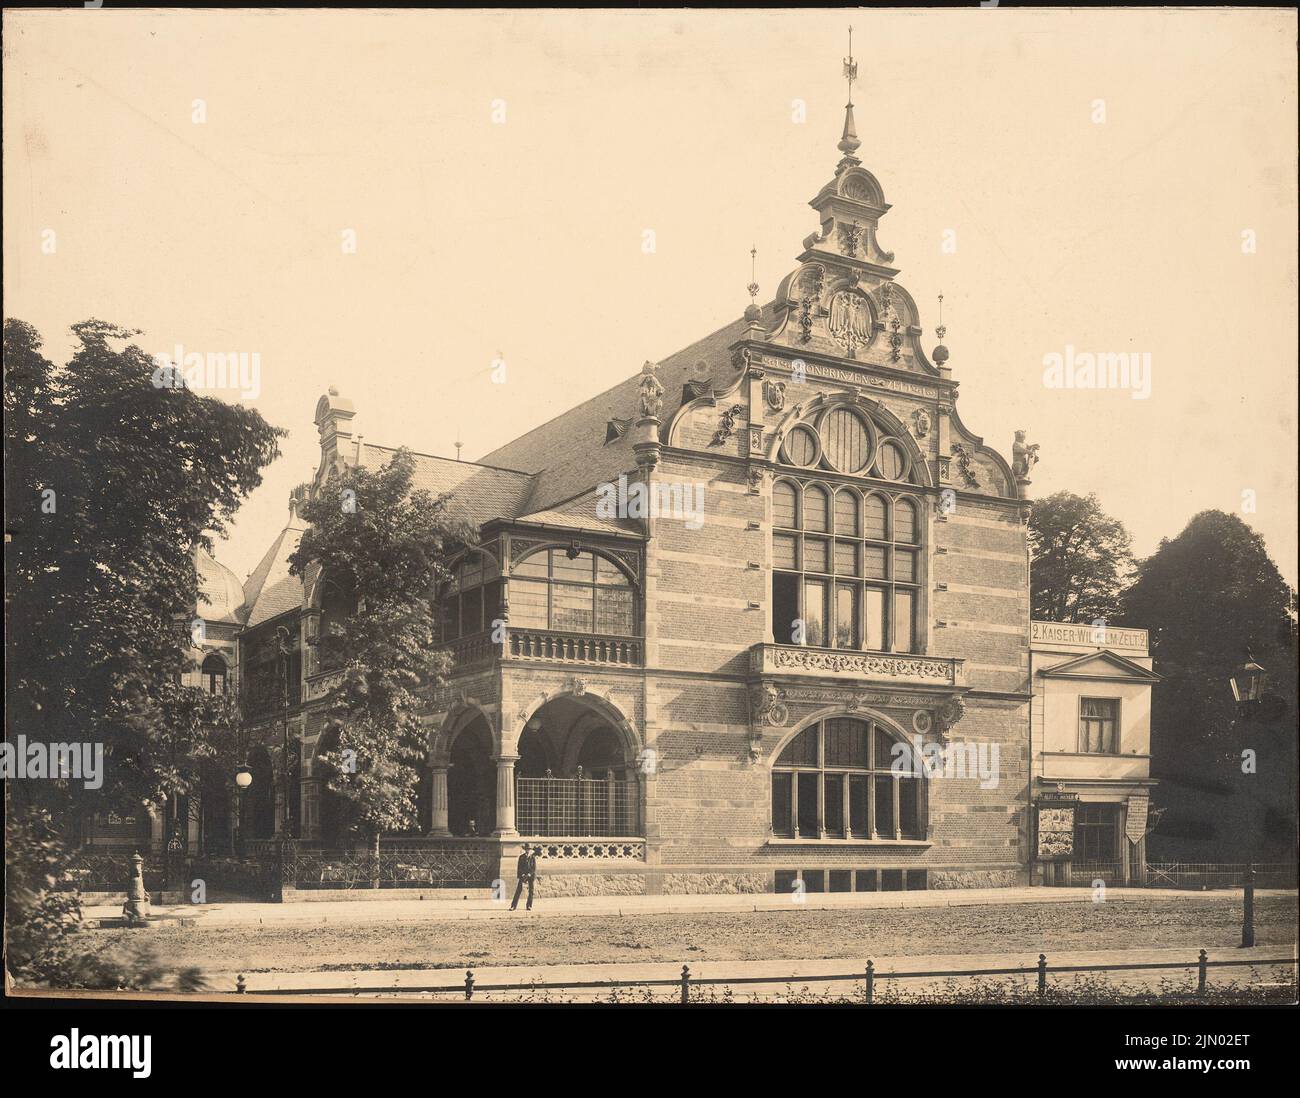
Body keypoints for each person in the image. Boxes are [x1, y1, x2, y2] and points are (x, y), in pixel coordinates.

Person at [510, 844, 537, 911]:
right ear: (525, 850)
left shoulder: (533, 857)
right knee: (518, 890)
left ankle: (529, 906)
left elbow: (534, 868)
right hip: (523, 876)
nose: (527, 850)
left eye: (529, 849)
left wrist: (529, 874)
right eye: (526, 849)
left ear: (531, 850)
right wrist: (522, 874)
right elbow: (519, 867)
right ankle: (513, 906)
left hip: (530, 876)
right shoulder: (521, 857)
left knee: (531, 891)